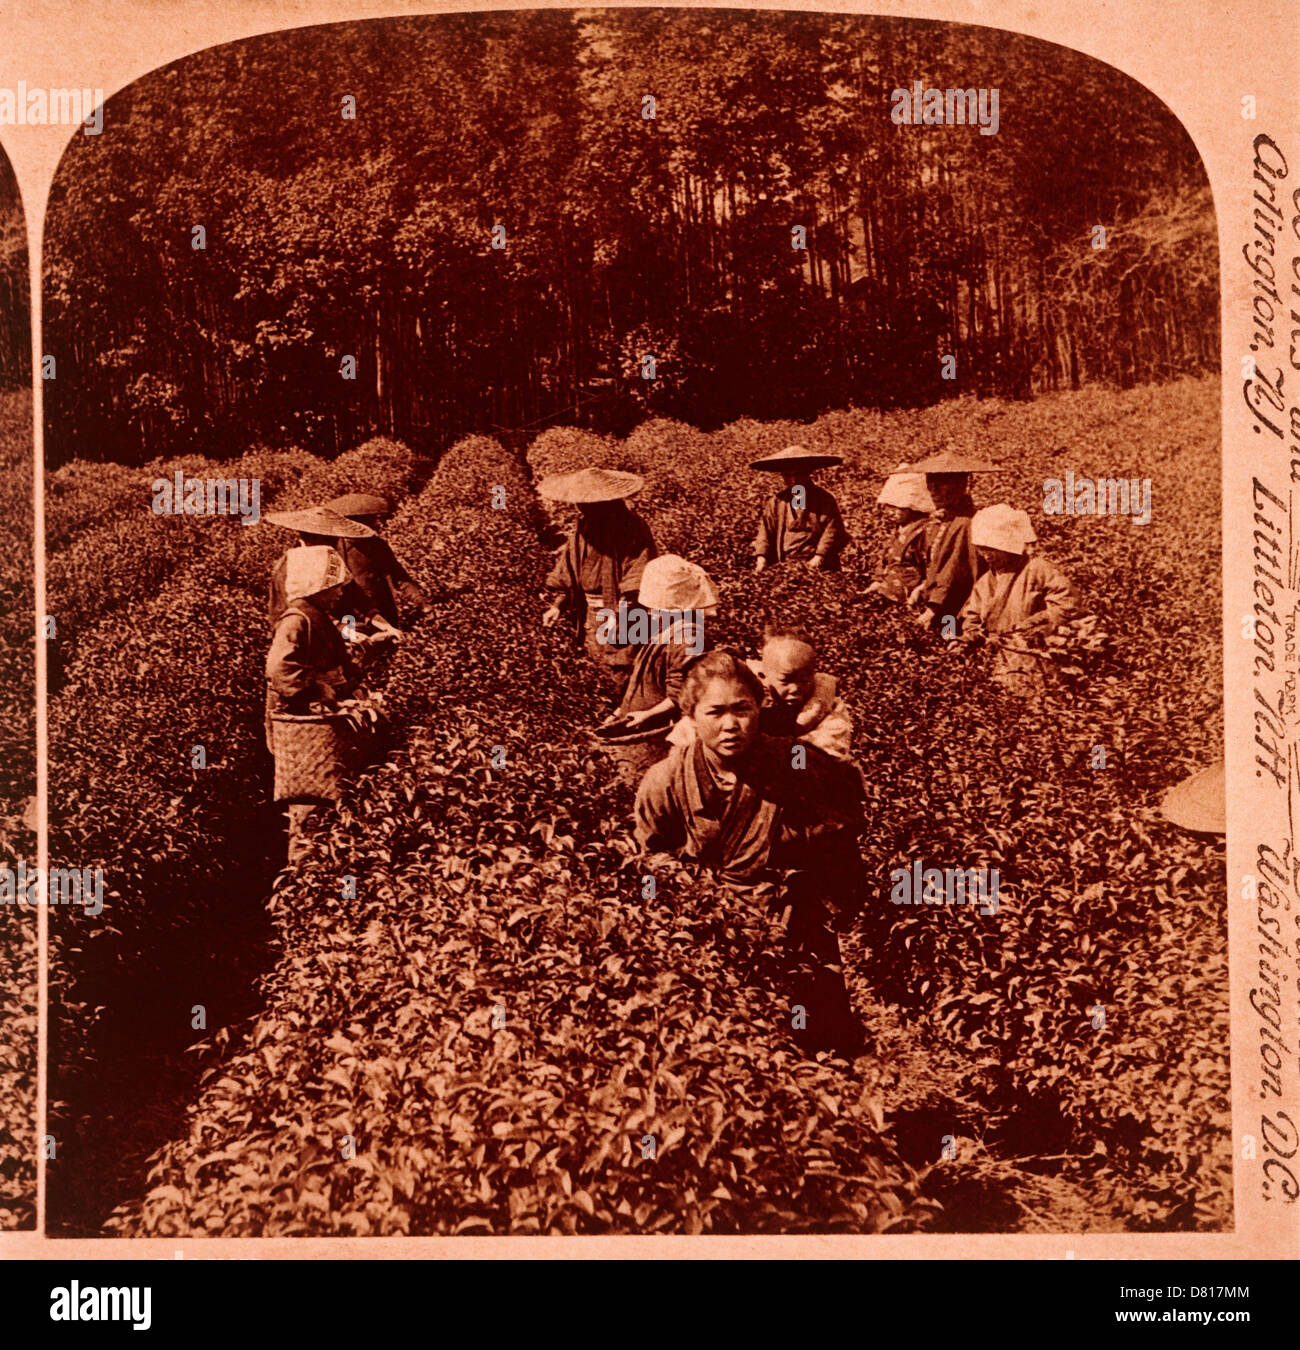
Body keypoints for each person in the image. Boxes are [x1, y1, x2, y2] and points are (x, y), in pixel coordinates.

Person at [634, 651, 866, 1057]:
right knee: (726, 1042)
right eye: (715, 711)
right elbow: (651, 857)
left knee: (811, 1041)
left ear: (759, 707)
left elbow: (845, 820)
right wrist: (691, 902)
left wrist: (802, 849)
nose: (730, 724)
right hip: (713, 927)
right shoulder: (667, 779)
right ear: (691, 715)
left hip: (794, 921)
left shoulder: (795, 760)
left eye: (742, 709)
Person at [265, 545, 366, 863]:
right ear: (316, 586)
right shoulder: (296, 621)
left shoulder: (316, 616)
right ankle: (303, 872)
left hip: (319, 723)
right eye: (334, 587)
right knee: (309, 795)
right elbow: (279, 670)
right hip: (305, 727)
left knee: (328, 789)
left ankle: (325, 860)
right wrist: (316, 688)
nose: (339, 593)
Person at [540, 467, 657, 696]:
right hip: (590, 614)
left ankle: (624, 712)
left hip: (623, 611)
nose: (581, 508)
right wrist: (558, 604)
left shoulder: (632, 528)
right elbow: (571, 568)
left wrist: (623, 614)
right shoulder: (584, 527)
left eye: (587, 504)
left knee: (622, 665)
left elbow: (638, 574)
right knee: (595, 666)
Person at [958, 504, 1079, 696]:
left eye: (992, 549)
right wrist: (969, 635)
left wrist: (1035, 626)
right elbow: (972, 615)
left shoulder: (1037, 570)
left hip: (1035, 657)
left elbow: (1066, 603)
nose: (987, 555)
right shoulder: (985, 581)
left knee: (1036, 703)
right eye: (982, 549)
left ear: (1008, 545)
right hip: (999, 659)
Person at [904, 446, 999, 632]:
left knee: (949, 641)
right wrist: (923, 587)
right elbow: (937, 565)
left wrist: (933, 609)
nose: (934, 491)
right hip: (940, 600)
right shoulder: (945, 520)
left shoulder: (964, 523)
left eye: (941, 485)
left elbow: (954, 572)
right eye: (930, 485)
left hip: (954, 606)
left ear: (960, 486)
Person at [319, 493, 433, 629]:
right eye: (368, 521)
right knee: (357, 645)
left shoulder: (378, 545)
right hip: (349, 613)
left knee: (389, 640)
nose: (374, 525)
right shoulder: (334, 548)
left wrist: (421, 602)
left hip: (382, 608)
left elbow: (399, 576)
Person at [750, 445, 850, 572]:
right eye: (788, 475)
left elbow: (832, 530)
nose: (793, 480)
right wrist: (761, 558)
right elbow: (765, 531)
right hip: (785, 564)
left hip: (818, 566)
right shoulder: (776, 502)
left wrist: (819, 557)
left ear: (808, 473)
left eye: (798, 475)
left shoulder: (824, 499)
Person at [865, 468, 935, 605]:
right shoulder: (899, 529)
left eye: (899, 508)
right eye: (890, 507)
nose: (893, 512)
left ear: (913, 509)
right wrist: (877, 581)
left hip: (909, 595)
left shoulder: (926, 531)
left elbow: (933, 568)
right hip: (888, 589)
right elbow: (885, 560)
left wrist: (921, 589)